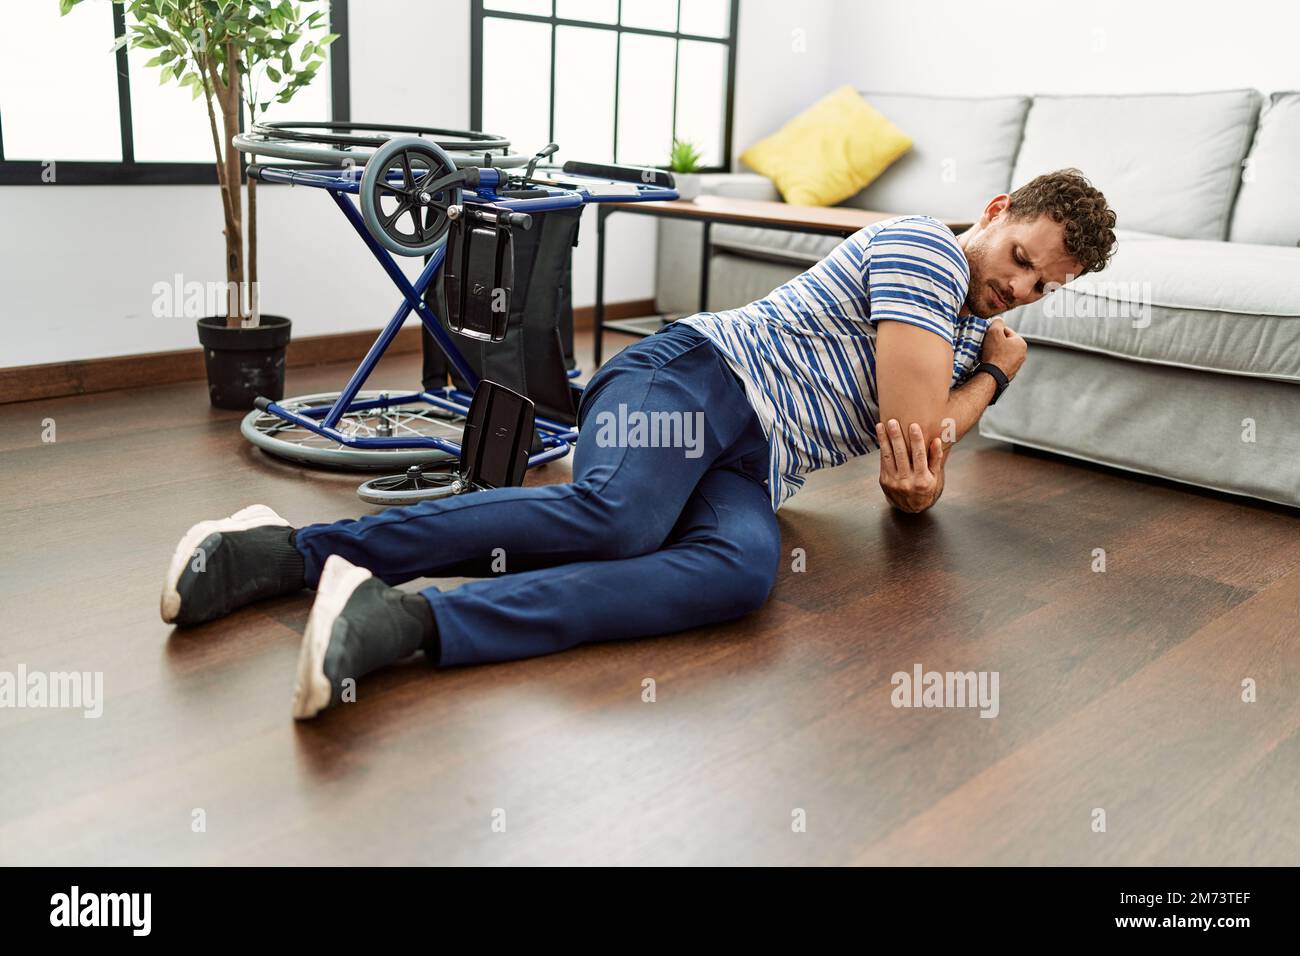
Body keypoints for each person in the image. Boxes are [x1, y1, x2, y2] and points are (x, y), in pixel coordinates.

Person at [159, 167, 1117, 720]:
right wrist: (993, 377)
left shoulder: (958, 331)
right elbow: (913, 437)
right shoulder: (928, 252)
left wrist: (935, 445)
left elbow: (913, 489)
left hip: (752, 460)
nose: (1018, 290)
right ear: (992, 215)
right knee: (619, 516)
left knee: (740, 576)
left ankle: (409, 622)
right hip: (689, 376)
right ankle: (283, 552)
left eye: (1044, 288)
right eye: (1021, 258)